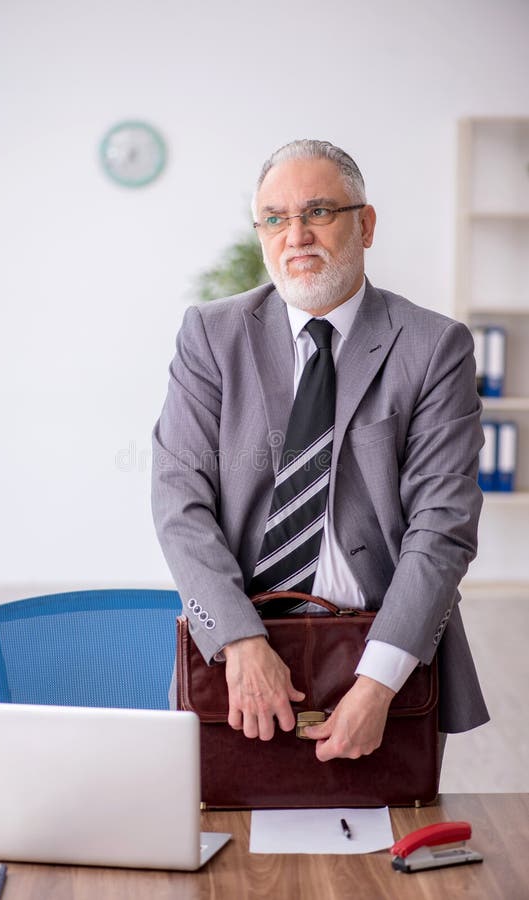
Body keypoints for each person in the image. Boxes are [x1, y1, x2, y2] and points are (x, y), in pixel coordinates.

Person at [152, 139, 488, 762]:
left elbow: (441, 525)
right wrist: (240, 643)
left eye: (318, 212)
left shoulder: (434, 346)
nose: (296, 235)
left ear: (365, 224)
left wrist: (379, 684)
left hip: (384, 648)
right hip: (244, 653)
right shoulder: (211, 335)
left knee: (384, 841)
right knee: (231, 839)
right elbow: (180, 503)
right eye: (275, 219)